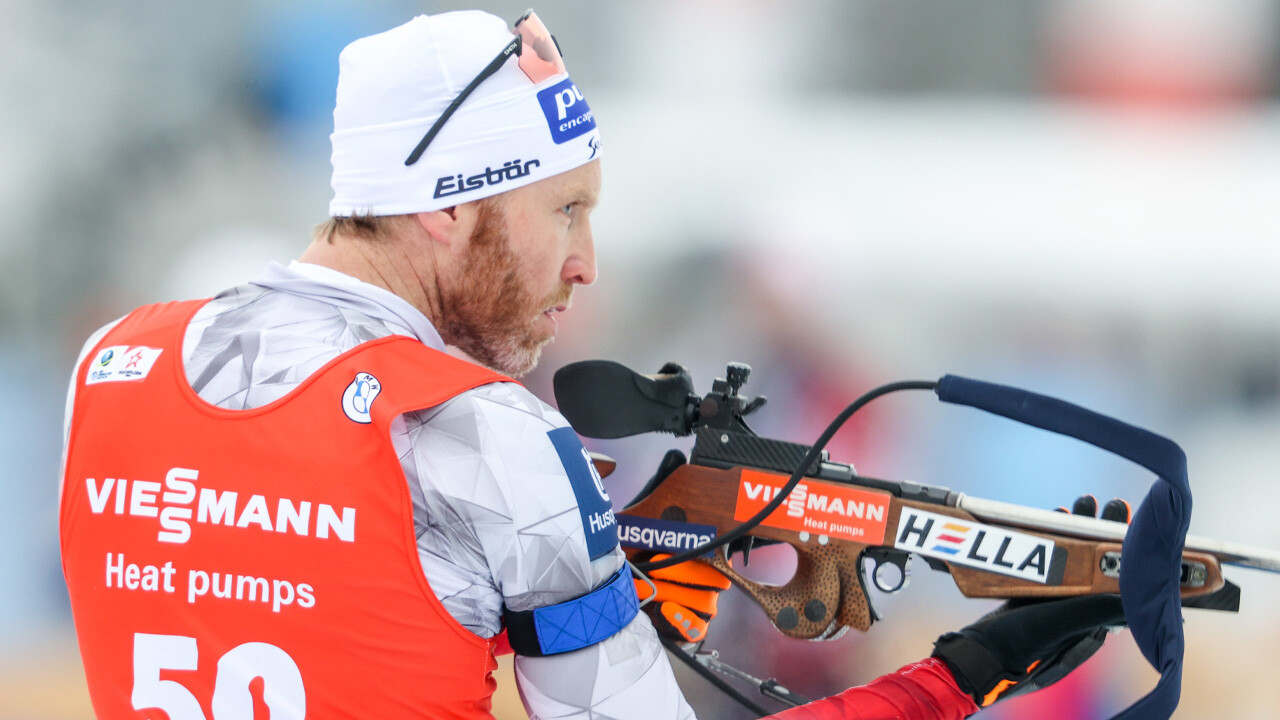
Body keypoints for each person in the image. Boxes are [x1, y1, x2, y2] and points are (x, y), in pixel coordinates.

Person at [59, 9, 1124, 719]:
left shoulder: (113, 368)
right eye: (562, 210)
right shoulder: (478, 427)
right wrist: (962, 674)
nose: (582, 264)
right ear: (446, 206)